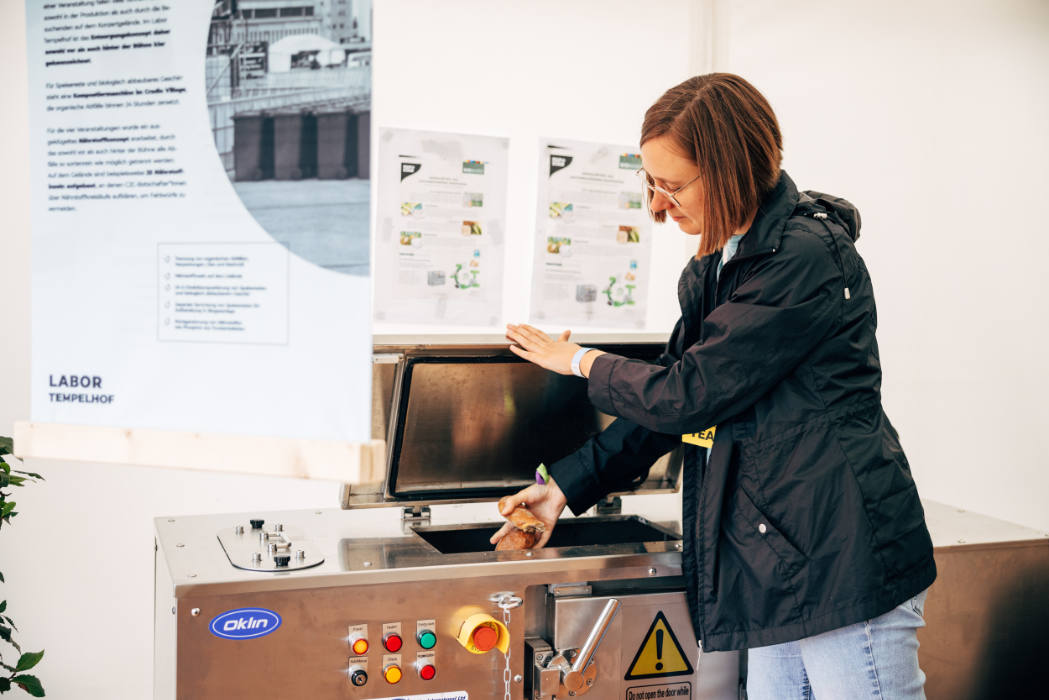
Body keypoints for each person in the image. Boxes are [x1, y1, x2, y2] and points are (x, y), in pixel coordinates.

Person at [491, 74, 936, 699]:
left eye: (671, 185)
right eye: (649, 182)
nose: (656, 205)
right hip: (780, 562)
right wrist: (559, 487)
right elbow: (670, 401)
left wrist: (582, 361)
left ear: (728, 170)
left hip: (841, 560)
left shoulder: (803, 258)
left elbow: (689, 395)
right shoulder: (722, 264)